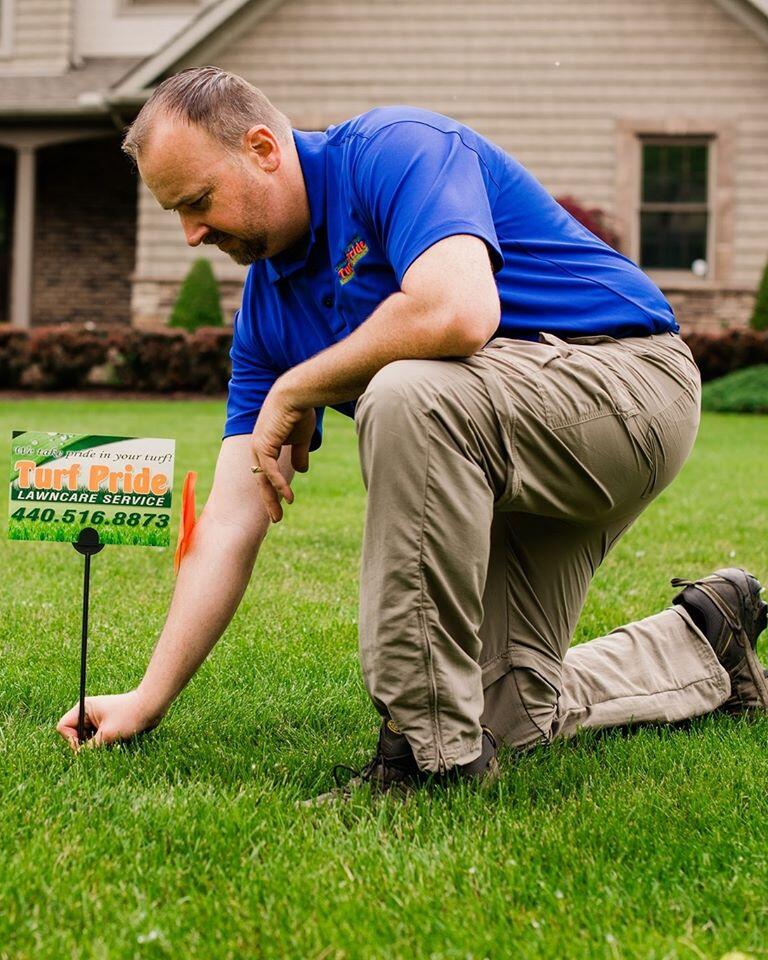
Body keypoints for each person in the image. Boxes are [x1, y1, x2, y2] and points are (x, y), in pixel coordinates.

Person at [56, 67, 768, 799]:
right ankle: (707, 638)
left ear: (263, 148)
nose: (192, 233)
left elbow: (457, 313)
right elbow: (232, 523)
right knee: (510, 711)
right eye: (177, 212)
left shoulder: (394, 151)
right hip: (506, 448)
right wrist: (149, 697)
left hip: (628, 384)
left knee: (409, 392)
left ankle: (428, 759)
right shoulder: (267, 314)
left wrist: (301, 385)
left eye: (199, 201)